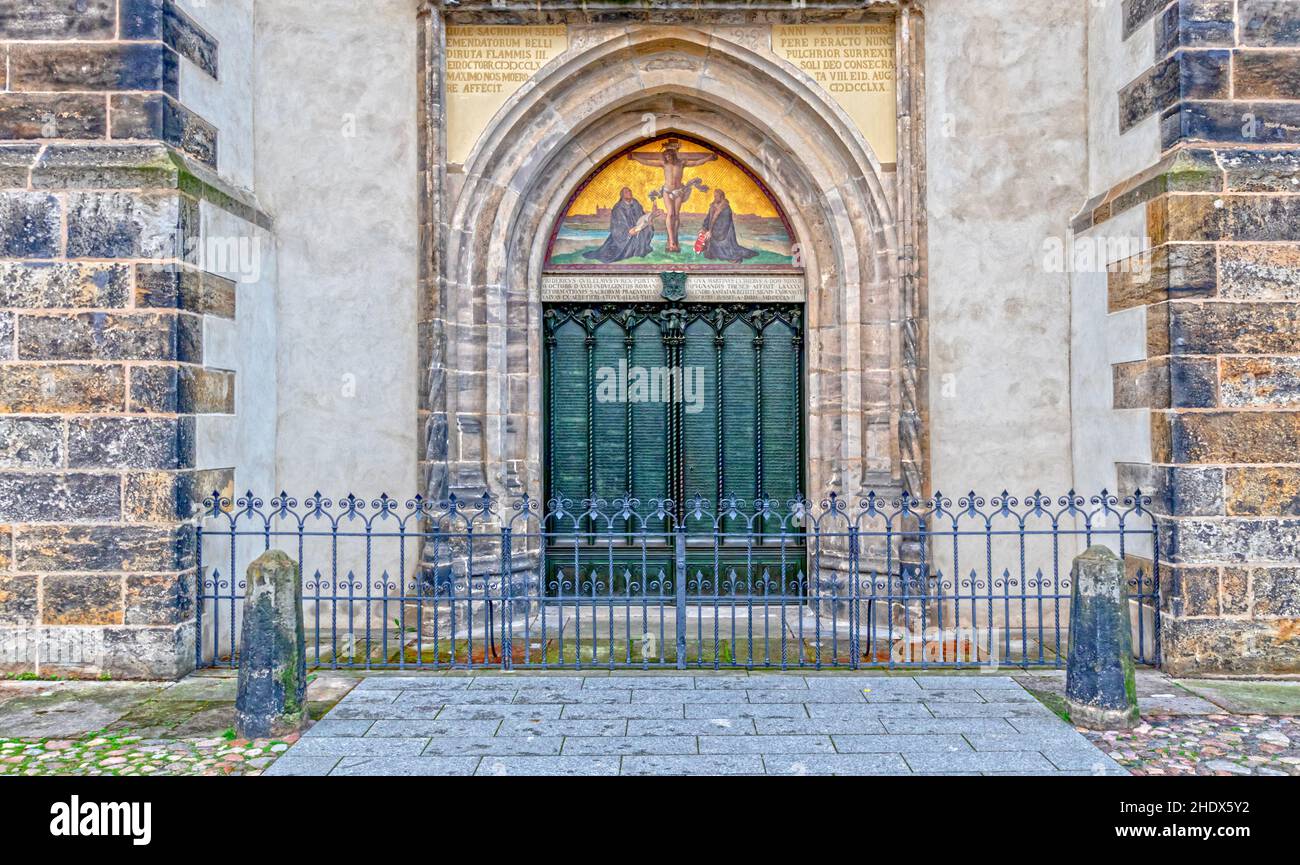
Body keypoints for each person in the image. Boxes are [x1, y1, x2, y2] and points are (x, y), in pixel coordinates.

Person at [627, 139, 717, 253]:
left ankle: (674, 237)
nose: (668, 157)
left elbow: (696, 163)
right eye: (666, 156)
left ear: (673, 155)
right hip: (667, 191)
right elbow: (647, 162)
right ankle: (671, 241)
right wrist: (635, 157)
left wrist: (709, 158)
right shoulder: (664, 164)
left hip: (679, 191)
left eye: (669, 155)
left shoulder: (681, 163)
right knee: (670, 214)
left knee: (676, 214)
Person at [582, 187, 654, 262]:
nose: (629, 193)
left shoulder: (636, 203)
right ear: (622, 195)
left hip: (637, 229)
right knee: (612, 253)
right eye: (626, 192)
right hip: (624, 234)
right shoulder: (618, 208)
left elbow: (642, 216)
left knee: (648, 228)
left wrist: (649, 219)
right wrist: (628, 232)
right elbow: (616, 226)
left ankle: (640, 249)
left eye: (630, 191)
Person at [698, 189, 758, 263]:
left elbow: (724, 224)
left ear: (722, 197)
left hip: (725, 236)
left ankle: (734, 258)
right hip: (712, 235)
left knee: (727, 253)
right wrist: (704, 228)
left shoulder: (726, 208)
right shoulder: (712, 206)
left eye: (717, 196)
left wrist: (711, 232)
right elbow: (708, 218)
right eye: (714, 196)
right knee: (709, 253)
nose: (715, 198)